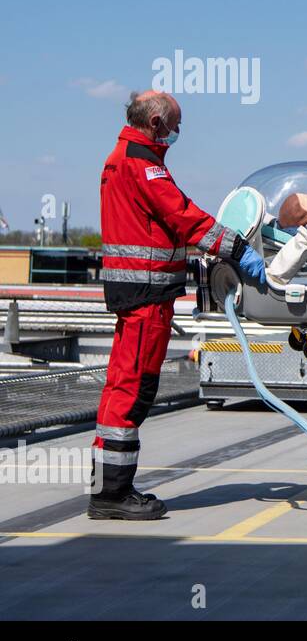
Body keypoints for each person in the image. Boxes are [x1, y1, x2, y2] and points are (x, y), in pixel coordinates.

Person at [92, 91, 266, 520]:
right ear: (155, 121)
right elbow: (183, 216)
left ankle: (109, 487)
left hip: (136, 293)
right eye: (175, 125)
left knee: (122, 385)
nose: (176, 134)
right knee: (133, 390)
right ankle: (112, 495)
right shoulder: (142, 165)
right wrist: (235, 249)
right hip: (147, 296)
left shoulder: (121, 158)